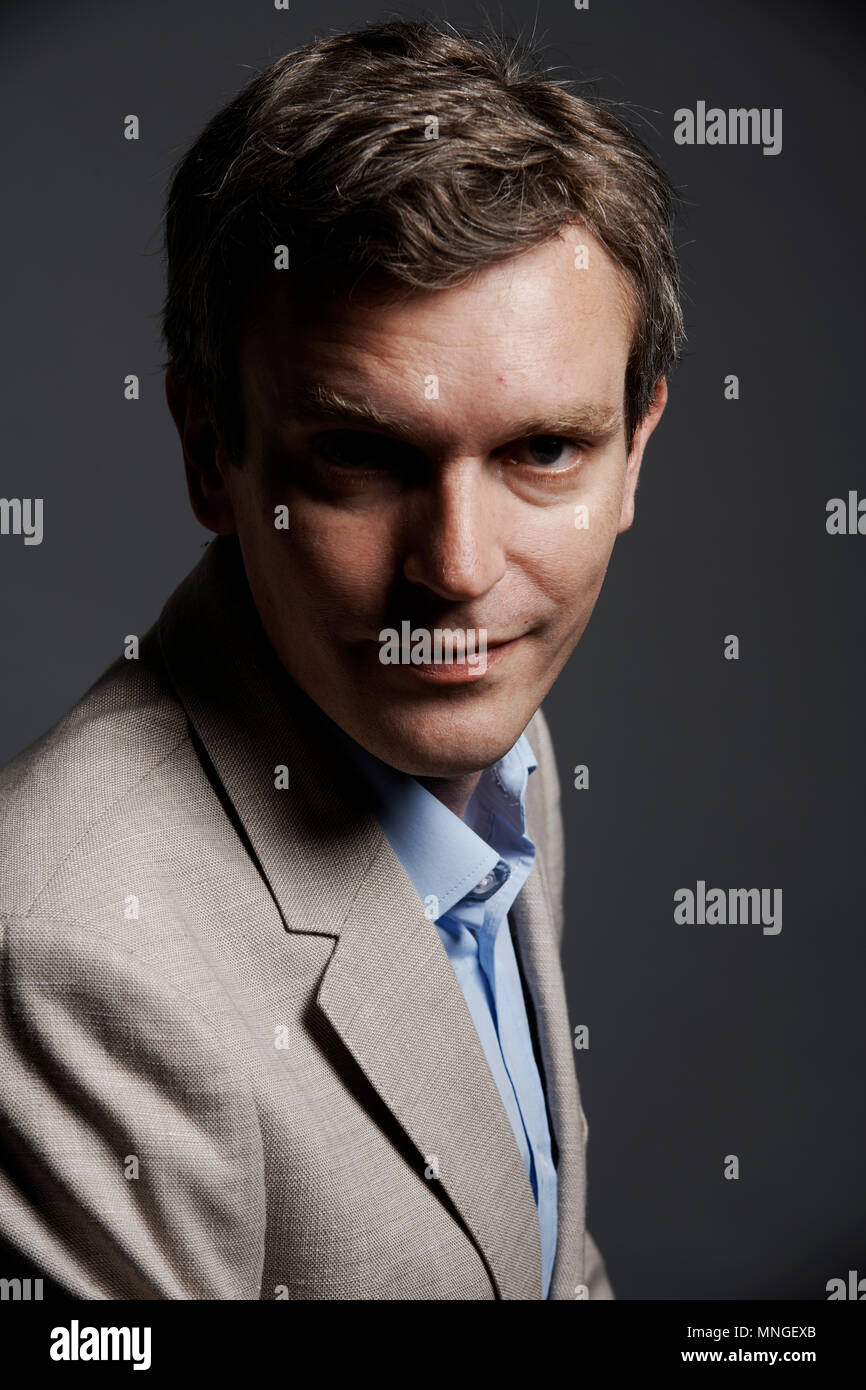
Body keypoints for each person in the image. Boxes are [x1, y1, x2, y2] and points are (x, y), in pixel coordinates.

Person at [0, 18, 683, 1299]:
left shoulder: (492, 735)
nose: (459, 569)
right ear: (213, 454)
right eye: (362, 458)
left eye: (543, 450)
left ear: (633, 449)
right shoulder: (67, 960)